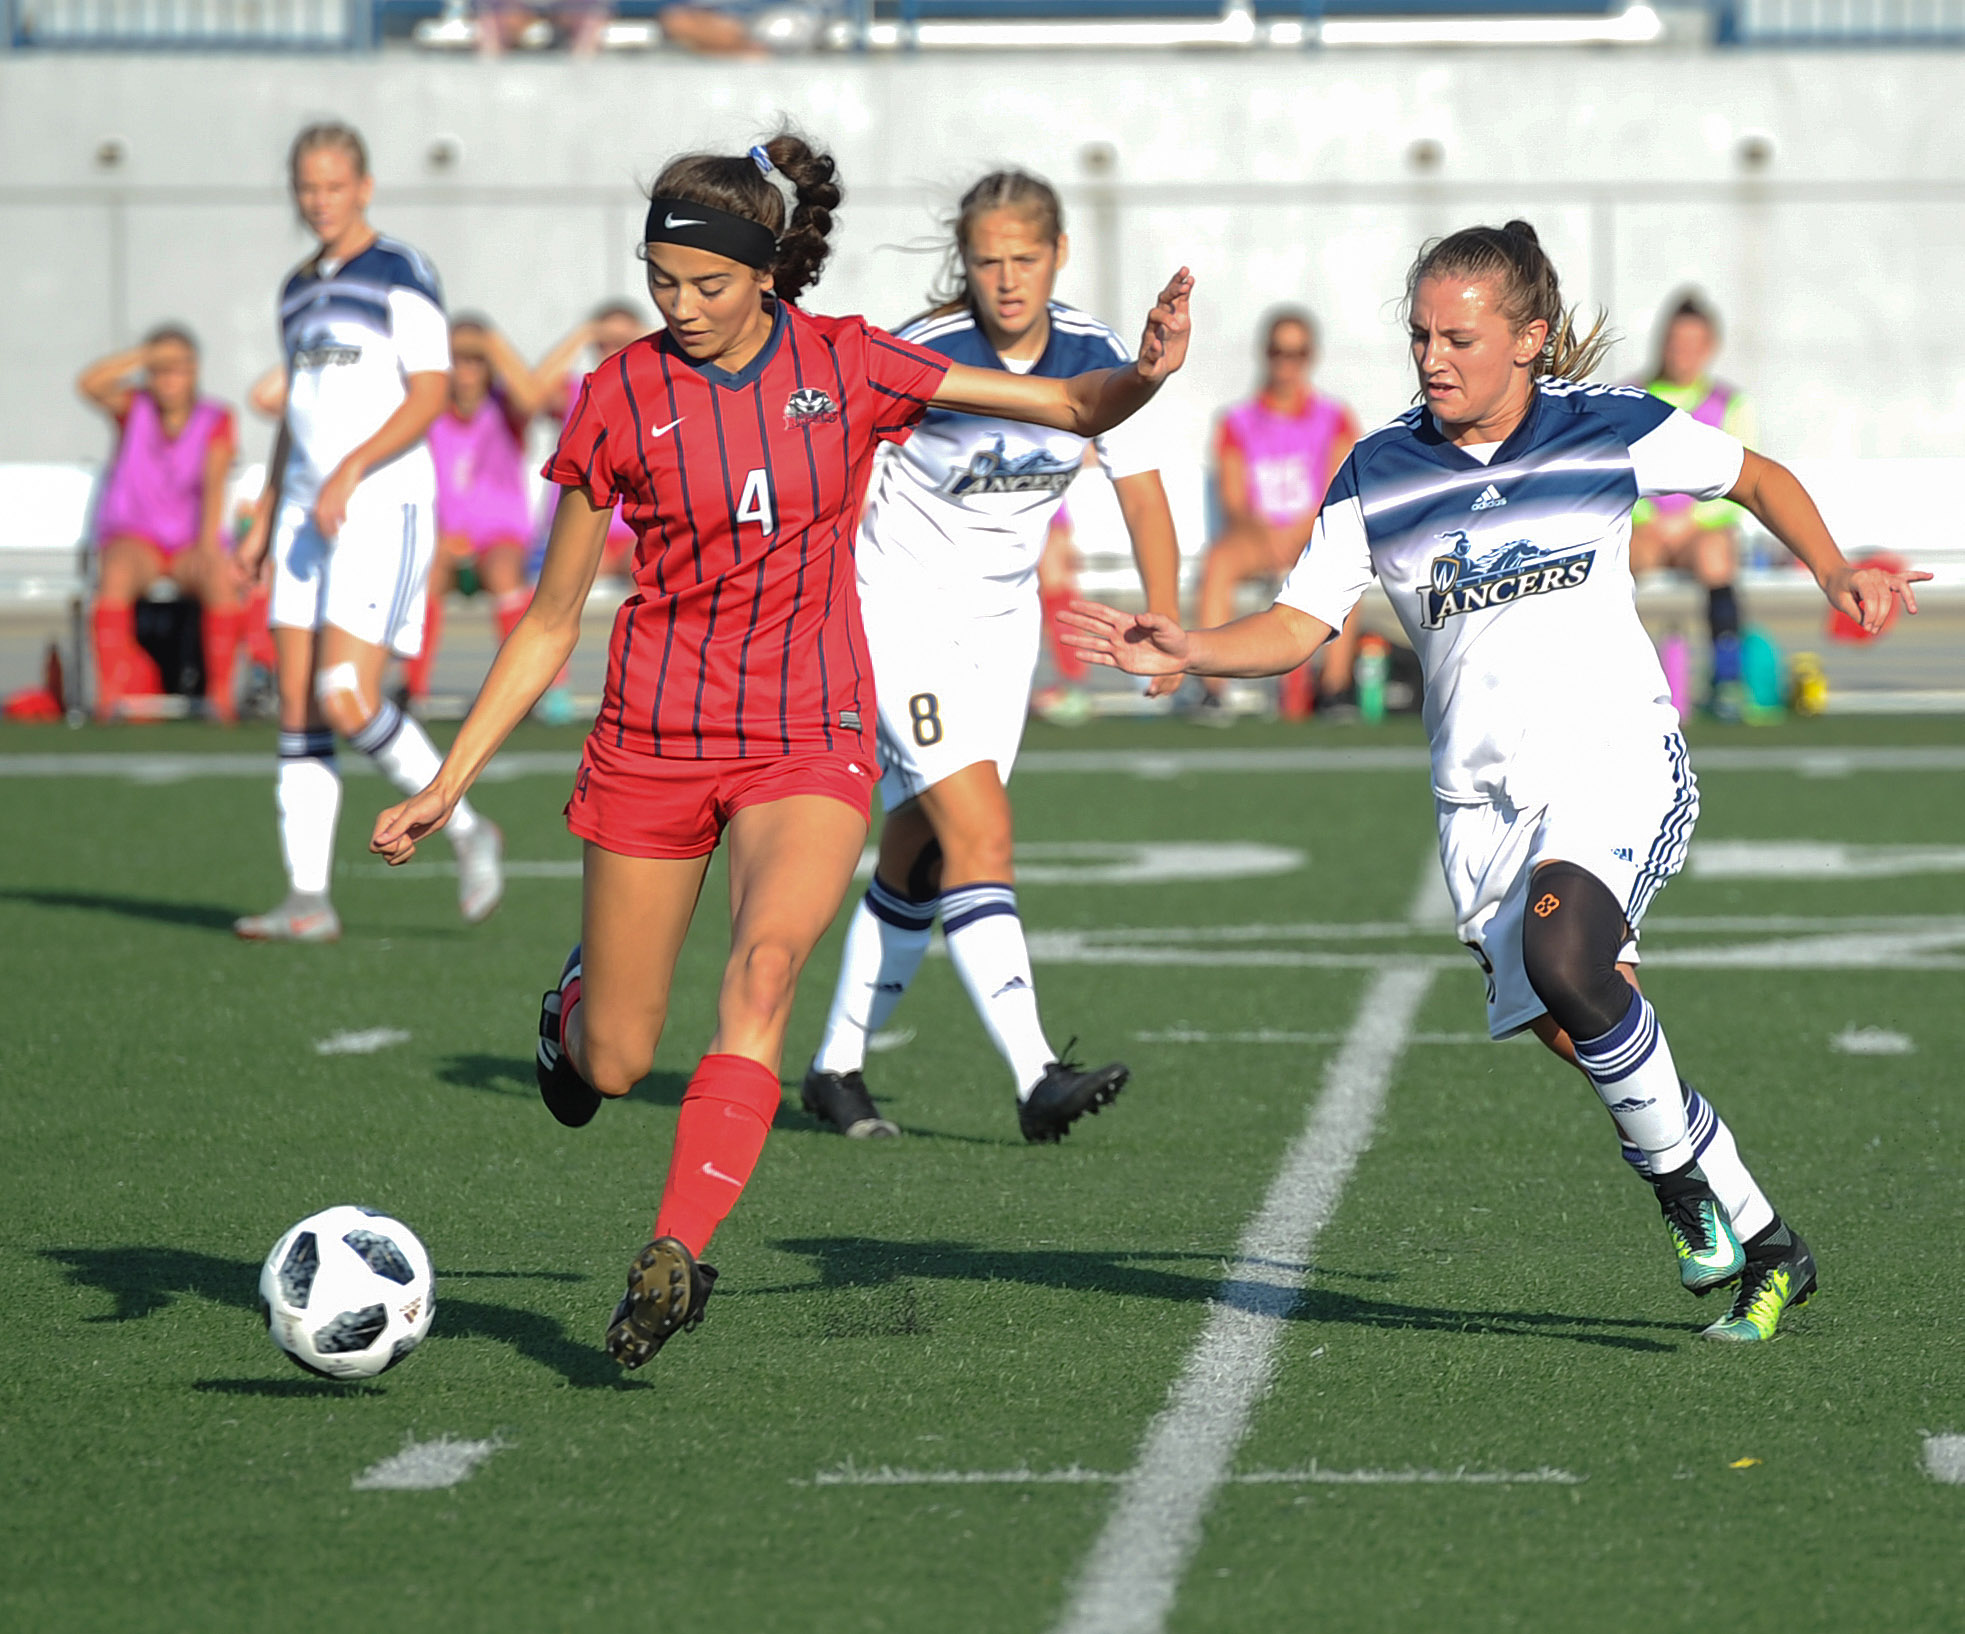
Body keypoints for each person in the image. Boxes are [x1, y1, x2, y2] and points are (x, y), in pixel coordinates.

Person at [369, 132, 1192, 1369]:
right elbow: (550, 620)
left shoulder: (850, 362)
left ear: (765, 274)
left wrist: (1145, 368)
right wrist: (450, 776)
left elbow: (1075, 406)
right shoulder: (618, 395)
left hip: (809, 733)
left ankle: (674, 1252)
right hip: (654, 735)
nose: (681, 307)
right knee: (617, 1057)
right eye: (661, 281)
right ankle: (575, 1005)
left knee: (762, 973)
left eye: (706, 284)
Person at [1064, 219, 1927, 1343]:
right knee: (1581, 1025)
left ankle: (1680, 1193)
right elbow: (1295, 623)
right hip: (1479, 807)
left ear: (1528, 339)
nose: (1432, 358)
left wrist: (1829, 565)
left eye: (1458, 337)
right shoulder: (1380, 468)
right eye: (1420, 335)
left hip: (1614, 761)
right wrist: (1187, 647)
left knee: (1566, 956)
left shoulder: (1607, 427)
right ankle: (1768, 1238)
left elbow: (1753, 474)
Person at [803, 169, 1181, 1142]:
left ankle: (836, 1068)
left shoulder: (1097, 352)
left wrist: (1166, 619)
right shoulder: (922, 353)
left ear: (1057, 255)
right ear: (963, 263)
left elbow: (1141, 491)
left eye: (1025, 257)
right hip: (896, 618)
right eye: (987, 259)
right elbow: (838, 480)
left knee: (924, 851)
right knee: (982, 834)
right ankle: (1034, 1072)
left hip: (1002, 630)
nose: (1007, 278)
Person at [233, 121, 504, 943]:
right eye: (306, 187)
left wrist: (350, 470)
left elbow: (426, 394)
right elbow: (298, 418)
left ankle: (465, 827)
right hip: (302, 514)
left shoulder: (399, 270)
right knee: (297, 705)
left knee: (347, 696)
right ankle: (308, 900)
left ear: (364, 187)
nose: (319, 201)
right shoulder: (295, 288)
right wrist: (269, 508)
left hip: (379, 504)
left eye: (332, 185)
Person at [1187, 307, 1357, 722]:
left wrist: (1302, 530)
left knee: (1350, 560)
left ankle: (1335, 688)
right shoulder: (1237, 422)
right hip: (1258, 535)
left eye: (1297, 354)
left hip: (1313, 532)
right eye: (1279, 352)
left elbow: (1341, 486)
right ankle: (1213, 689)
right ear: (1265, 354)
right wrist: (1268, 533)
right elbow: (1234, 499)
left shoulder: (1335, 419)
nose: (1287, 363)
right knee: (1218, 562)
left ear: (1309, 357)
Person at [77, 327, 244, 722]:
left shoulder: (216, 419)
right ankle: (110, 695)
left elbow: (214, 483)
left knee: (219, 577)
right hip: (138, 537)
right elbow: (89, 384)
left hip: (189, 541)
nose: (169, 378)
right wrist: (144, 356)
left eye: (178, 368)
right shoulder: (133, 407)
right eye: (161, 369)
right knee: (115, 573)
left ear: (194, 371)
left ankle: (220, 696)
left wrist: (208, 546)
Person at [405, 314, 544, 706]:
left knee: (503, 572)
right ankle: (413, 690)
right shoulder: (428, 409)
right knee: (425, 569)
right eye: (457, 359)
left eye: (473, 360)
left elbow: (532, 396)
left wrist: (491, 342)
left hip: (499, 539)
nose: (464, 370)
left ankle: (523, 687)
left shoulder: (504, 409)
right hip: (445, 540)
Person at [1630, 292, 1756, 720]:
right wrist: (1648, 518)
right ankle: (1620, 676)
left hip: (1699, 532)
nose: (1682, 353)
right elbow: (1617, 473)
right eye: (1675, 342)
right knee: (1611, 561)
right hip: (1646, 529)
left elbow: (1743, 485)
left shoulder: (1728, 404)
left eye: (1692, 344)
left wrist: (1690, 519)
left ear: (1709, 348)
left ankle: (1726, 678)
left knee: (1716, 555)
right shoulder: (1634, 396)